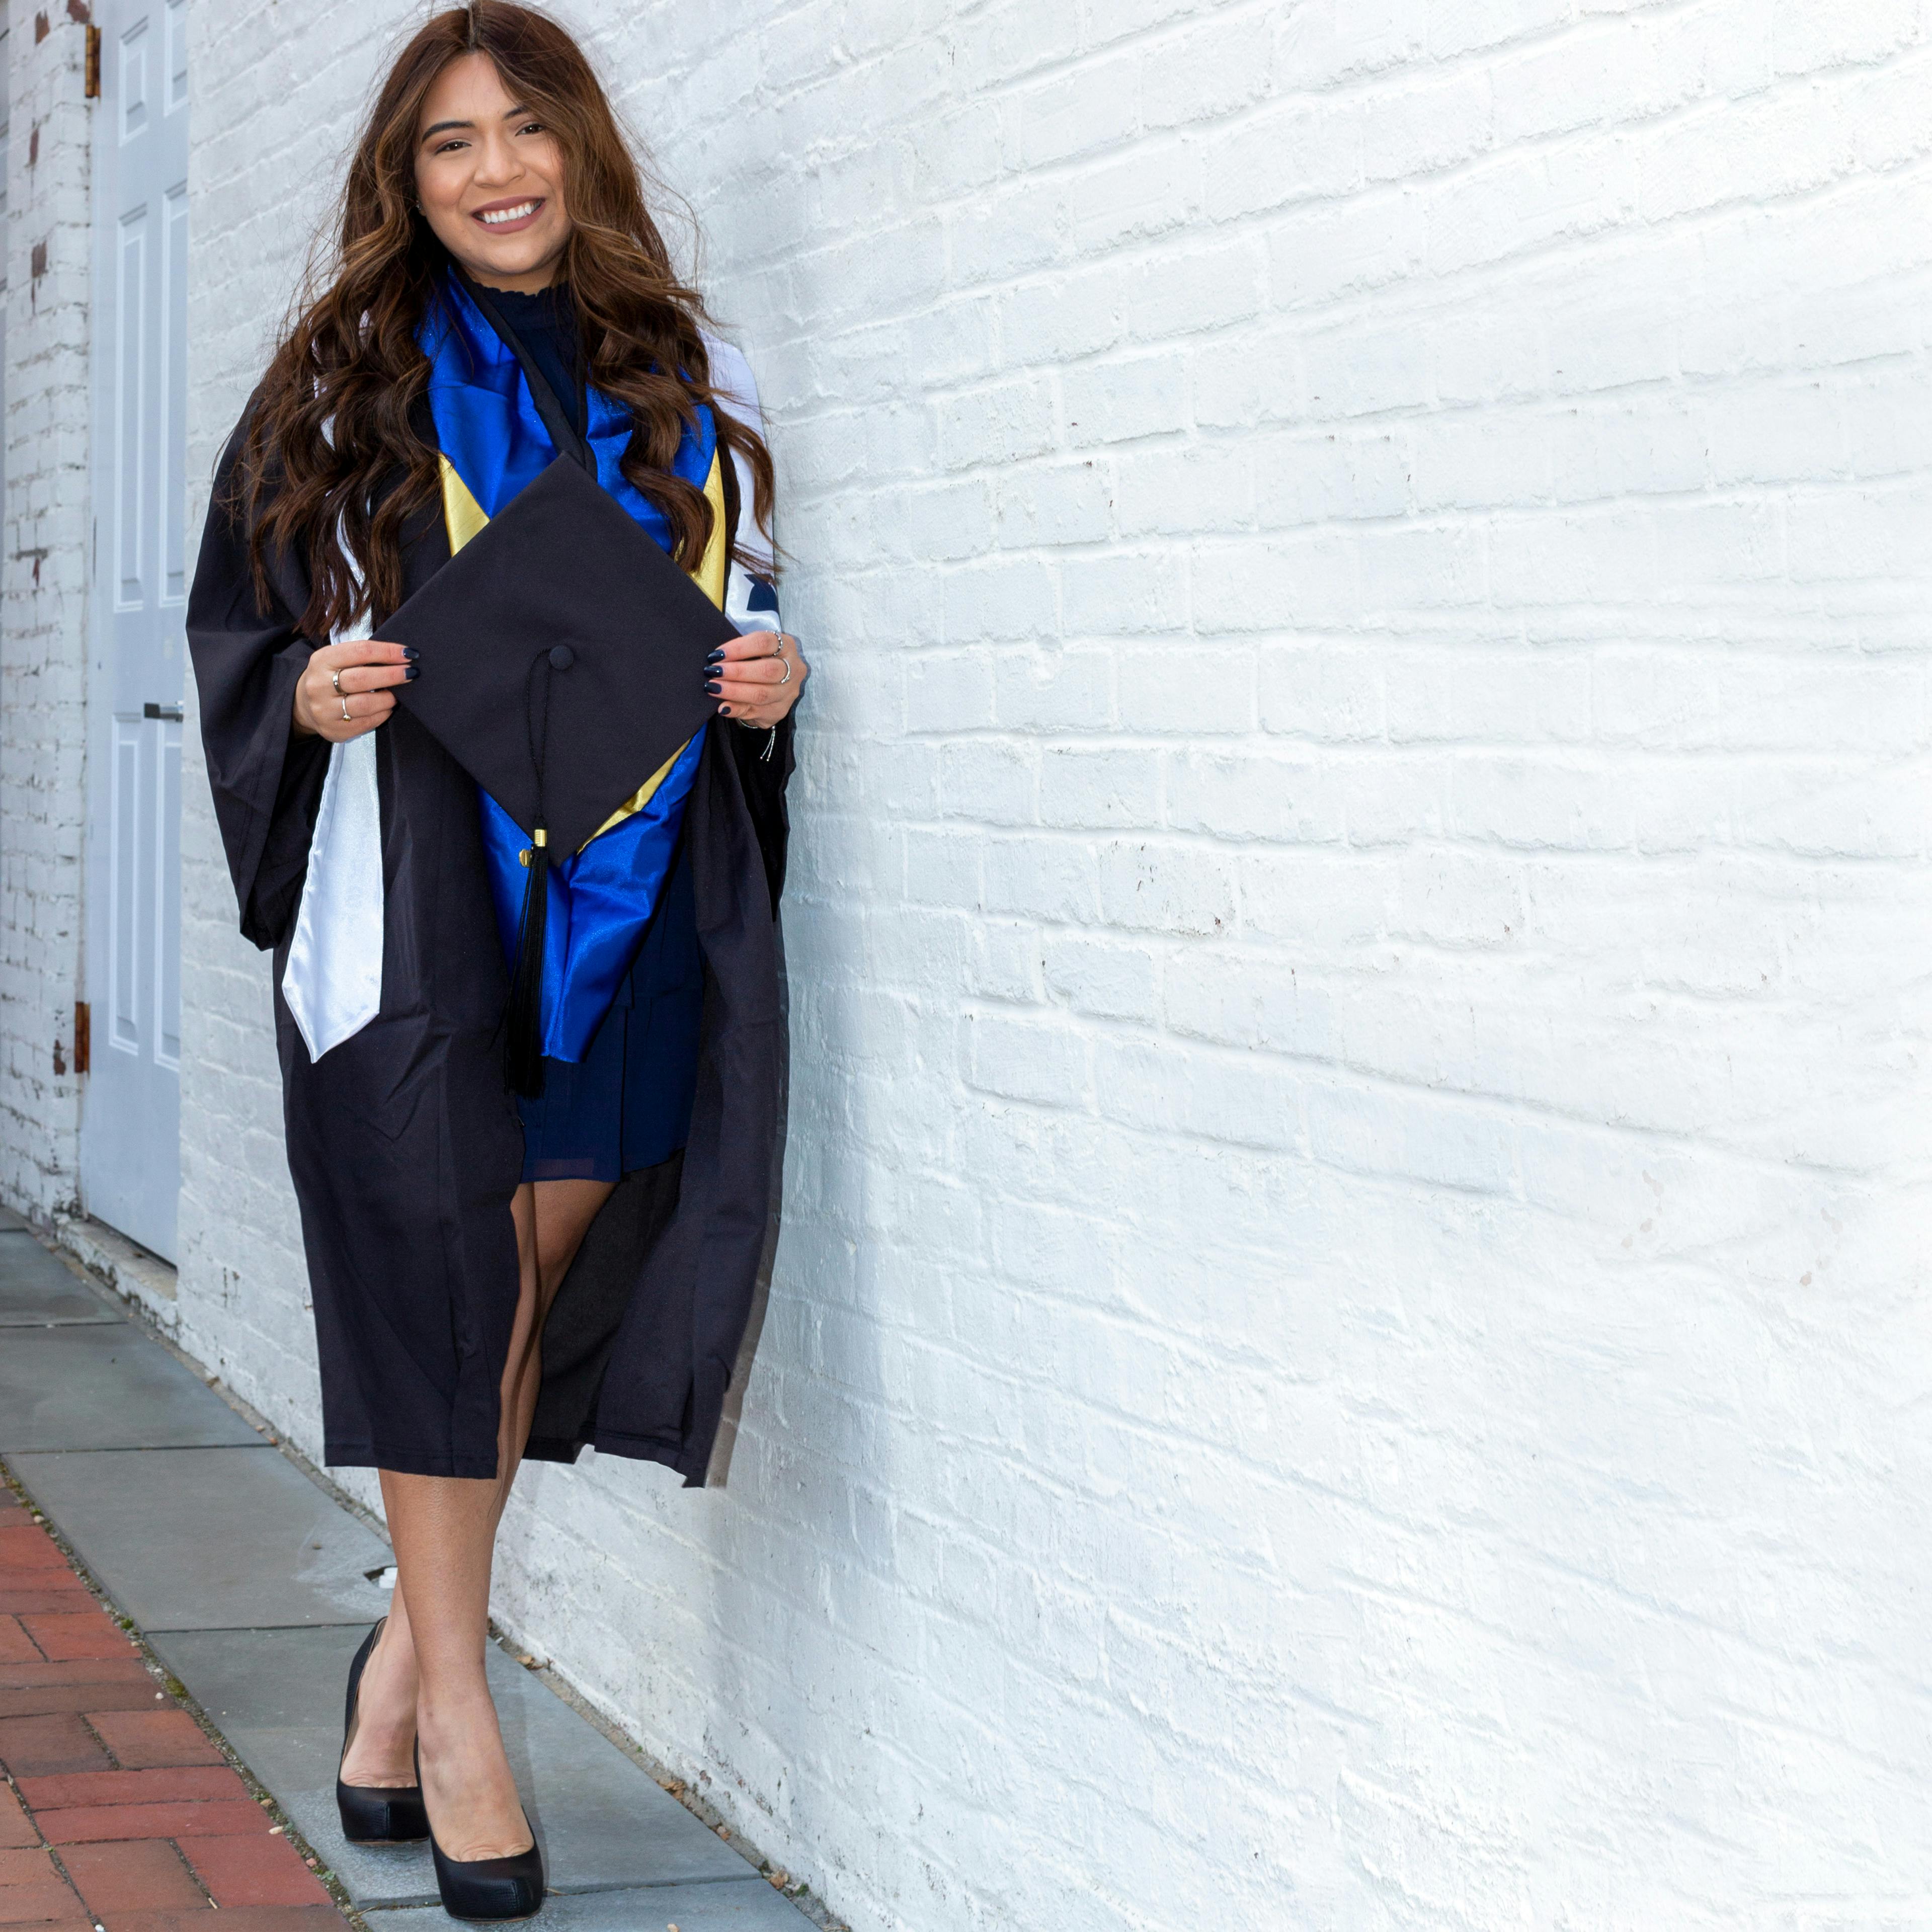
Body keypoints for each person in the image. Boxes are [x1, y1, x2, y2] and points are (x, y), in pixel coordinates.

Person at [186, 4, 807, 1918]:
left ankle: (394, 1666)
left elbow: (736, 610)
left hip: (632, 905)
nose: (496, 171)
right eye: (451, 142)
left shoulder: (677, 381)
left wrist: (771, 685)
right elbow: (242, 633)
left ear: (581, 148)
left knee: (517, 1290)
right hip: (430, 911)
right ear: (408, 175)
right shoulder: (338, 388)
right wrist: (306, 696)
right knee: (454, 1290)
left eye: (526, 130)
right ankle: (457, 1713)